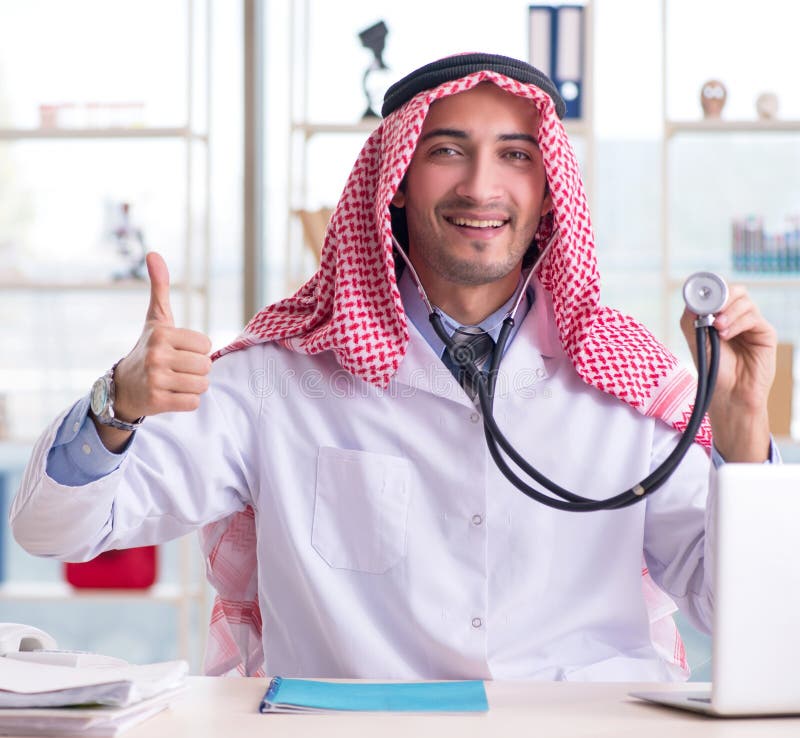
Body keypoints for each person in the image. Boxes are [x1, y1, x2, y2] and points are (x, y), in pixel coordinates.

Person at [11, 53, 777, 682]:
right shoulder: (276, 380)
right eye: (448, 150)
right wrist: (120, 402)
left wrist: (744, 449)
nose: (481, 186)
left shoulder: (628, 383)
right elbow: (54, 527)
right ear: (398, 181)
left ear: (549, 196)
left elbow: (745, 617)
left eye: (515, 155)